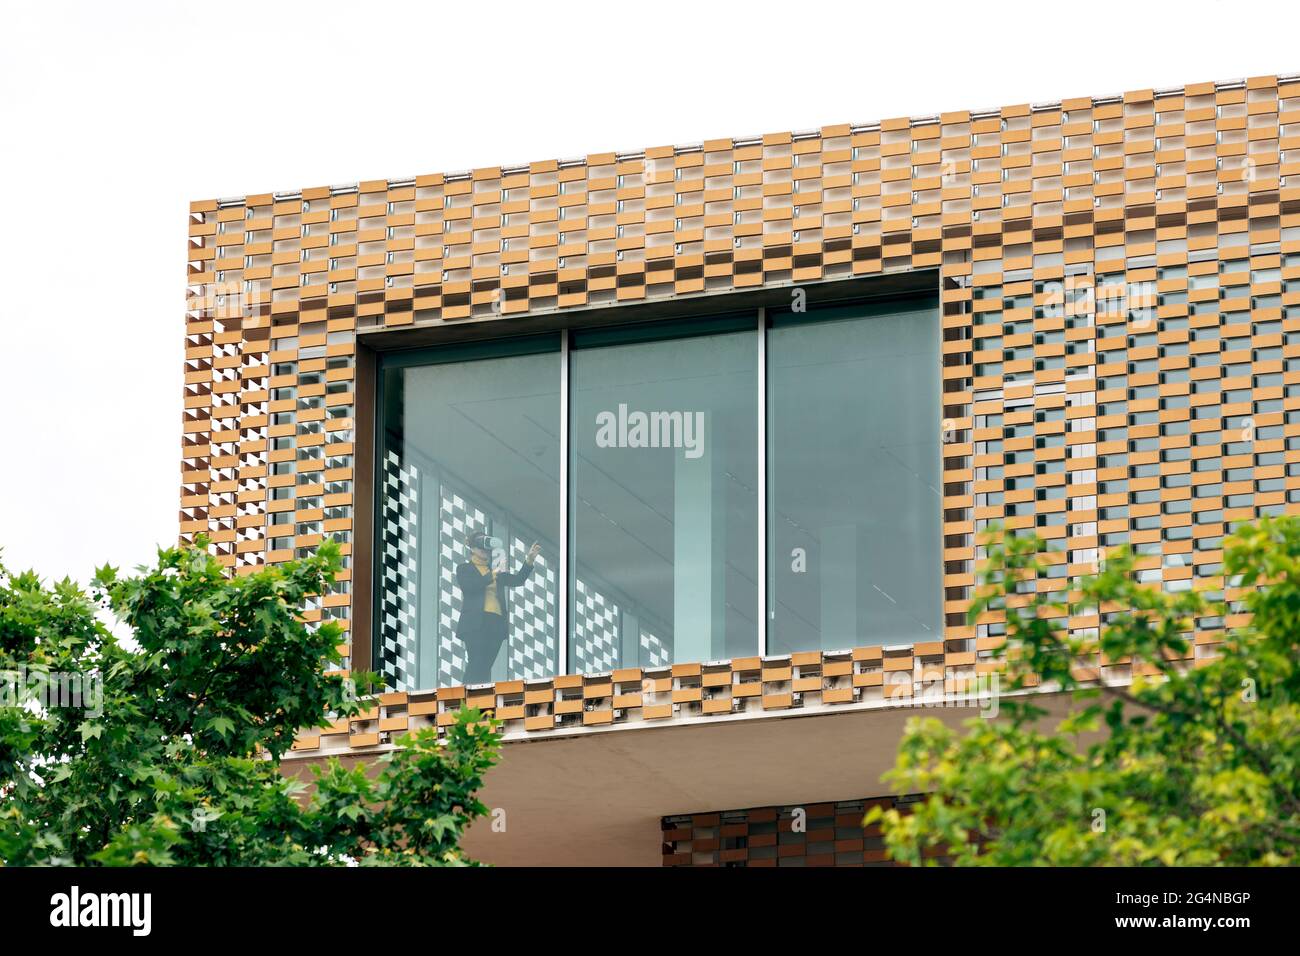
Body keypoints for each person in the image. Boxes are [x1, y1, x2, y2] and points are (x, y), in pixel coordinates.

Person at [455, 532, 540, 684]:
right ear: (472, 549)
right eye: (480, 548)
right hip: (475, 623)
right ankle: (465, 696)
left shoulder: (495, 572)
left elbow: (518, 580)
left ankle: (480, 698)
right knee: (476, 659)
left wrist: (529, 560)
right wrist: (493, 574)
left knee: (486, 664)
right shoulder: (465, 569)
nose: (484, 551)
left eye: (487, 549)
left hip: (495, 622)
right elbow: (470, 587)